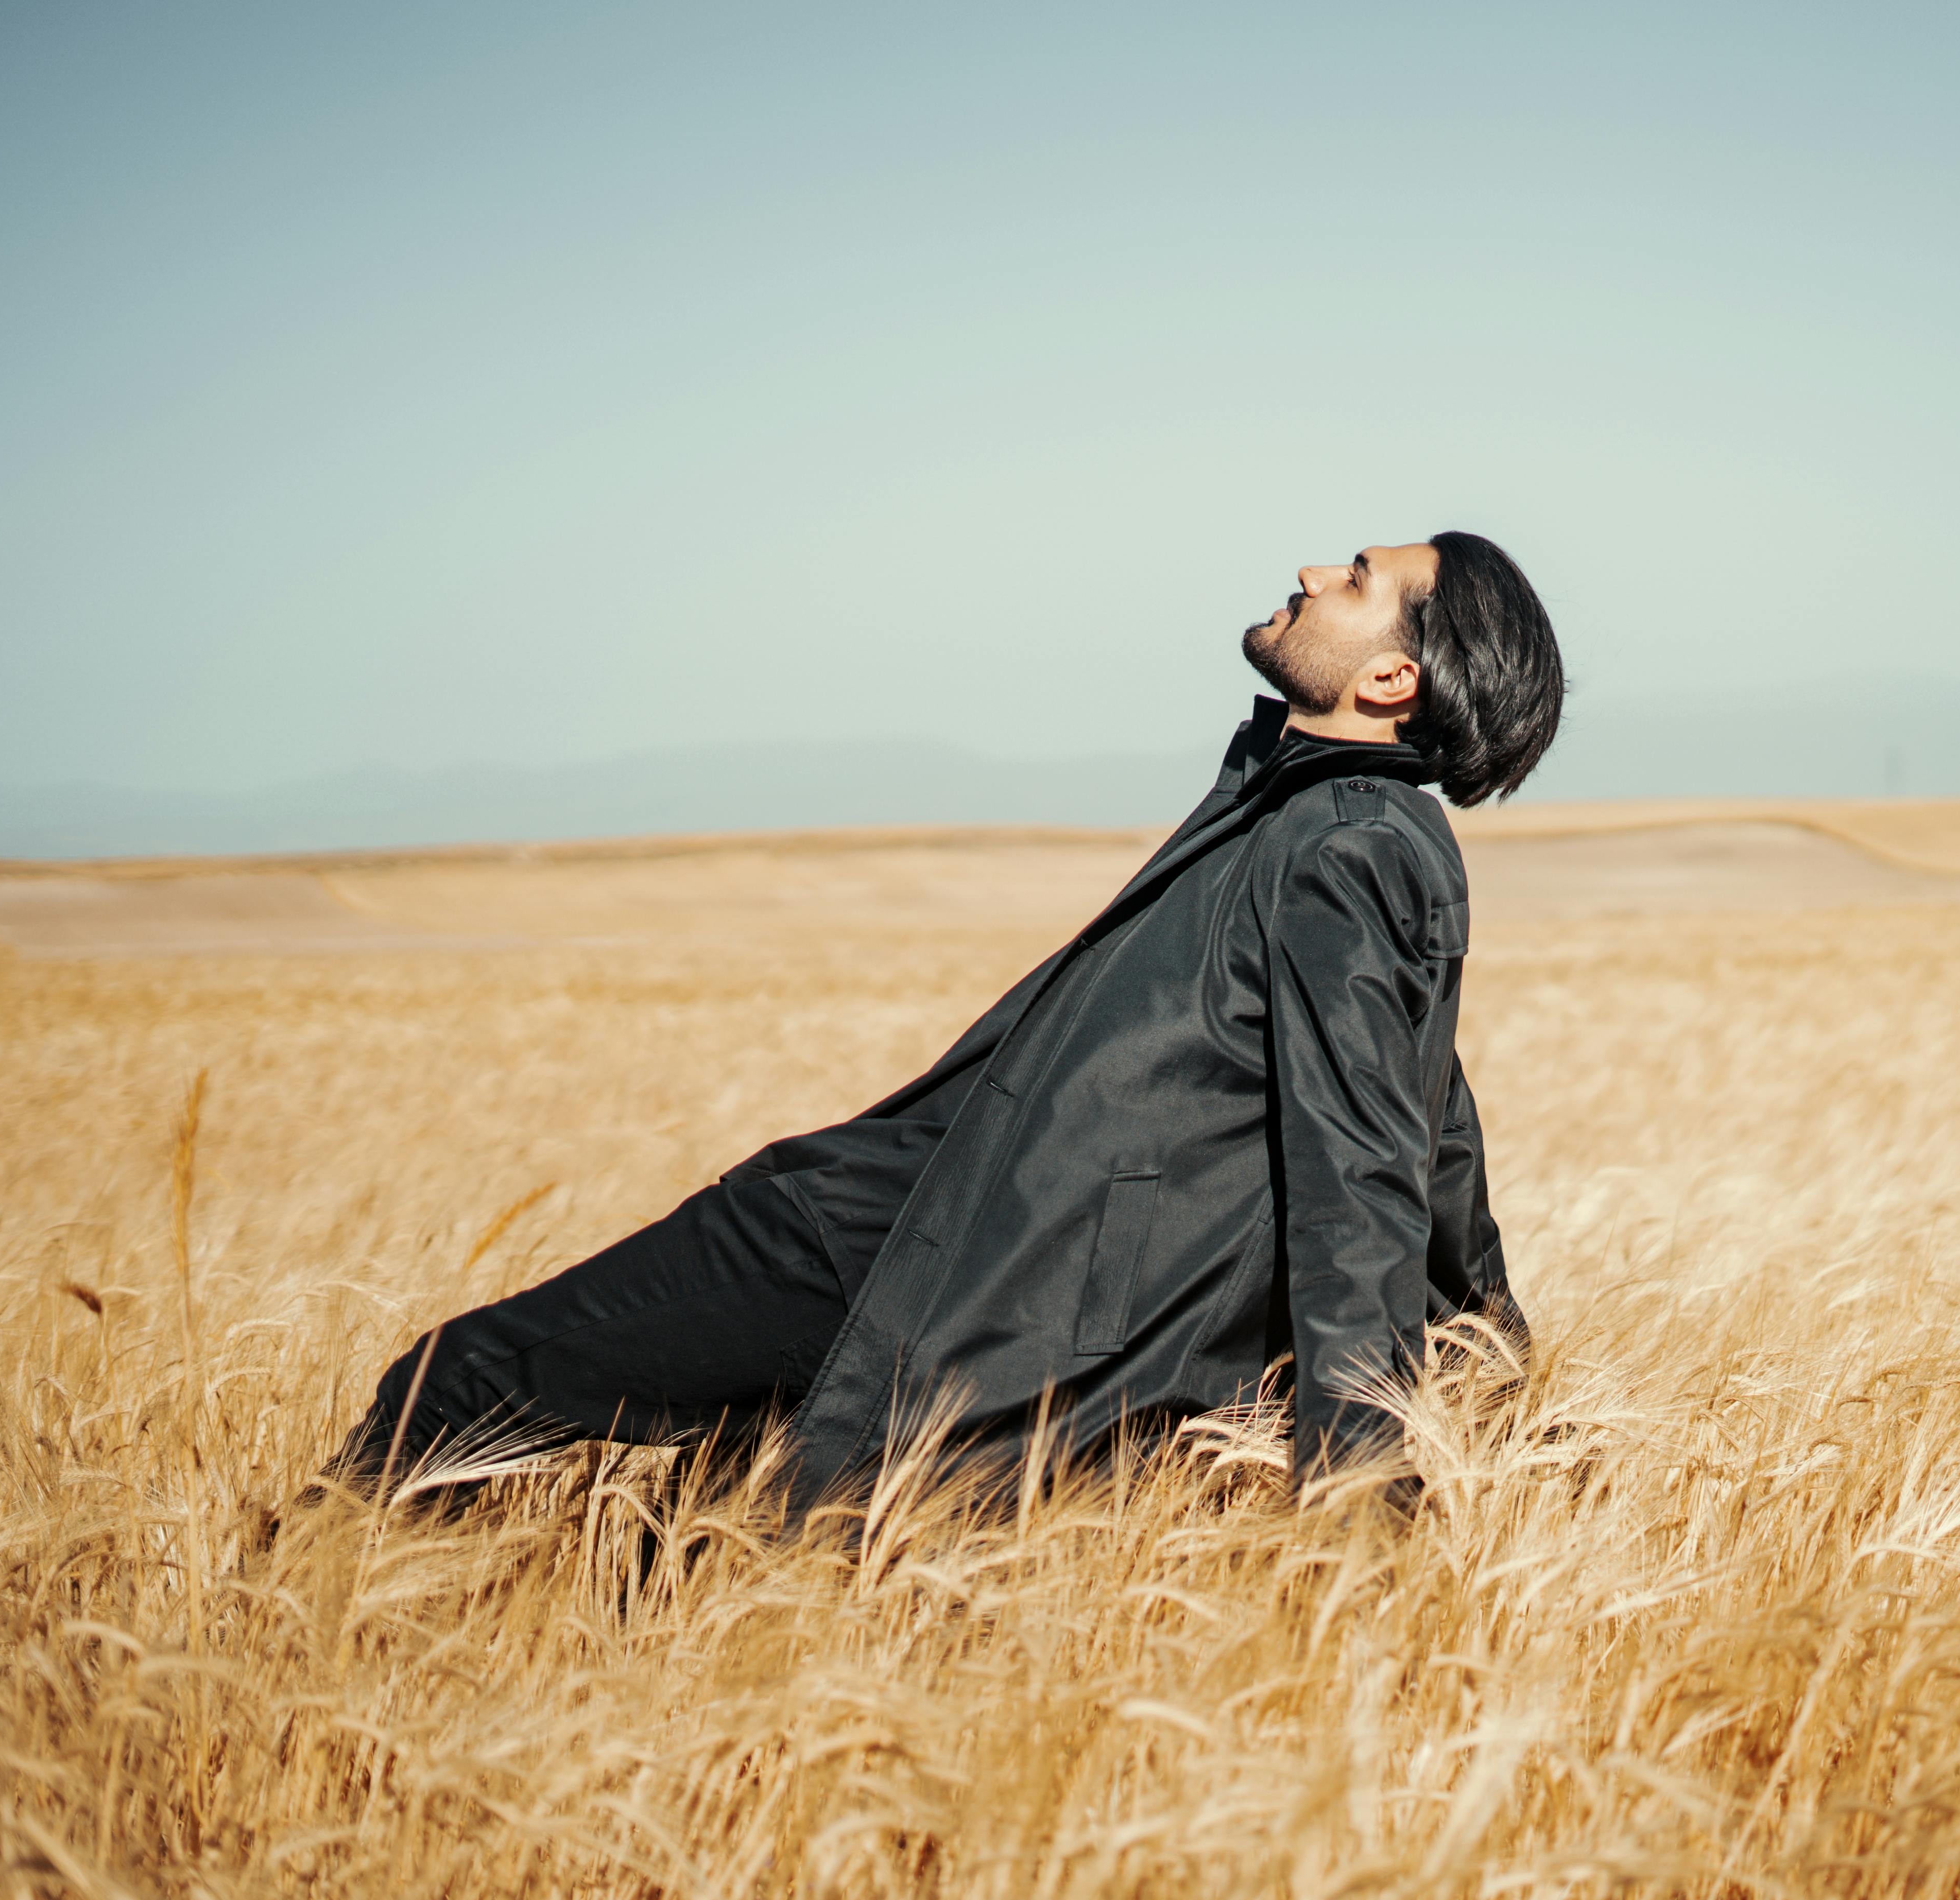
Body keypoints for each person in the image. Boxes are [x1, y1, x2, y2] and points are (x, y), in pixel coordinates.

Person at [328, 533, 1562, 1519]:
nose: (1311, 570)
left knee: (465, 1388)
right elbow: (1426, 1118)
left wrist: (1362, 1490)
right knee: (688, 1537)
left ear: (1391, 676)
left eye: (1357, 579)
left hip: (912, 1245)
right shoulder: (1317, 818)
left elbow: (1369, 1168)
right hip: (916, 1218)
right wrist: (1500, 1359)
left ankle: (295, 1615)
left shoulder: (1348, 843)